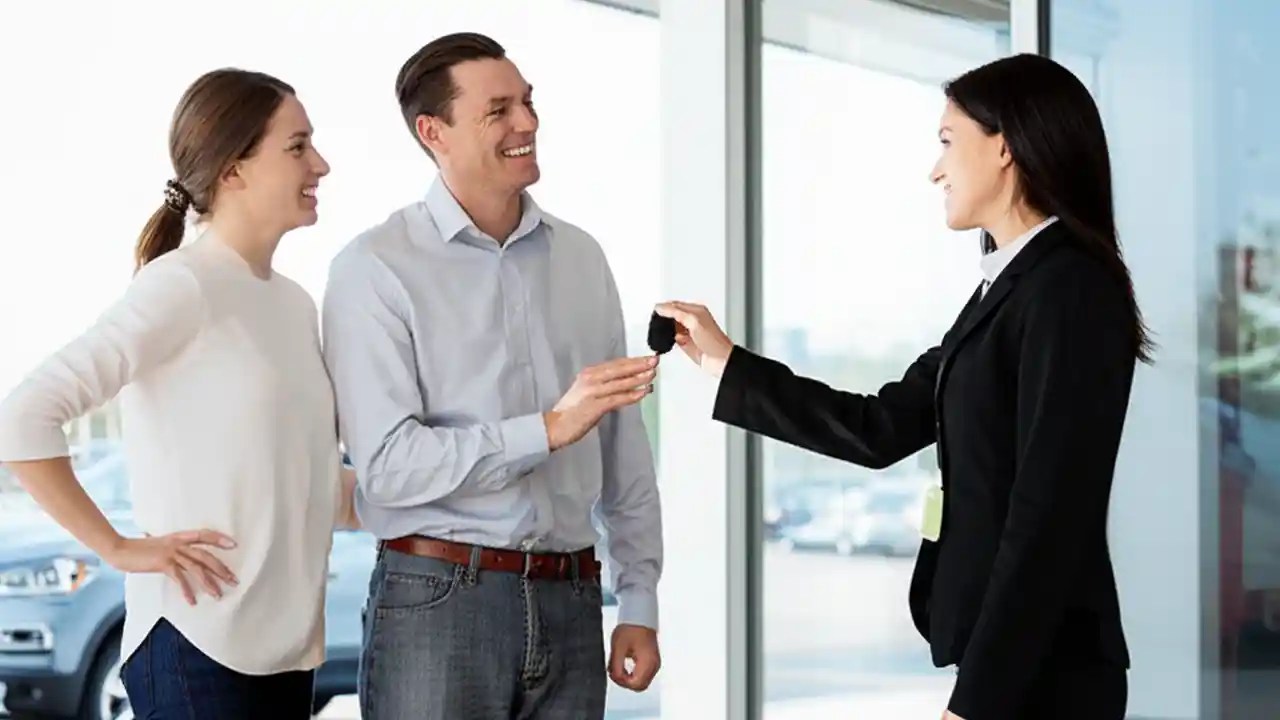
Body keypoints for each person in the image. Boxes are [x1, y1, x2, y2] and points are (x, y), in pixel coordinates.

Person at [656, 53, 1147, 720]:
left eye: (948, 142)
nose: (935, 169)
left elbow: (1046, 521)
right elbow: (881, 426)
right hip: (1014, 664)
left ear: (1004, 145)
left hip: (1044, 675)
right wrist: (726, 362)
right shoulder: (1006, 289)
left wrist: (976, 703)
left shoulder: (1068, 289)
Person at [321, 31, 663, 720]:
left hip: (573, 598)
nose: (528, 123)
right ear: (433, 132)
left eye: (529, 103)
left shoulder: (583, 259)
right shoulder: (374, 269)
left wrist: (640, 599)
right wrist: (545, 430)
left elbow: (622, 446)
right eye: (499, 109)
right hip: (438, 604)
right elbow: (387, 467)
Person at [0, 68, 359, 719]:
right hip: (197, 648)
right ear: (233, 170)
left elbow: (305, 481)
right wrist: (118, 549)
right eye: (297, 146)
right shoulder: (182, 287)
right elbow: (22, 420)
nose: (321, 164)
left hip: (286, 654)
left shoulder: (292, 305)